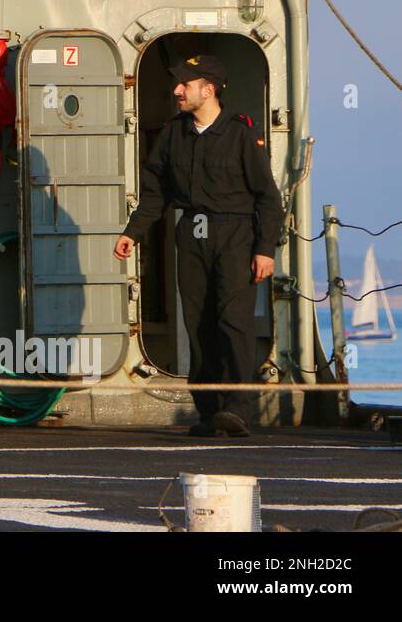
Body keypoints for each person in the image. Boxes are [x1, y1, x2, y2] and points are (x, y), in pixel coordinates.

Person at [114, 54, 282, 438]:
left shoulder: (240, 134)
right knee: (198, 323)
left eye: (184, 85)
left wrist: (264, 249)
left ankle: (237, 408)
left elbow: (267, 197)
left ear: (208, 90)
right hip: (192, 233)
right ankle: (209, 411)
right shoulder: (175, 133)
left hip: (236, 236)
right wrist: (132, 231)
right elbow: (155, 192)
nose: (176, 90)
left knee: (233, 322)